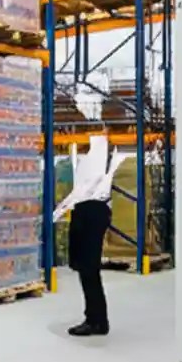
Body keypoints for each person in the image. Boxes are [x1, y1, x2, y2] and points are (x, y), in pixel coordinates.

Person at [53, 137, 128, 337]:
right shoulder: (93, 163)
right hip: (86, 210)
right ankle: (95, 319)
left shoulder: (98, 163)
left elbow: (83, 190)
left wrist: (58, 211)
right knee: (84, 267)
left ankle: (96, 321)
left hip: (92, 211)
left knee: (89, 269)